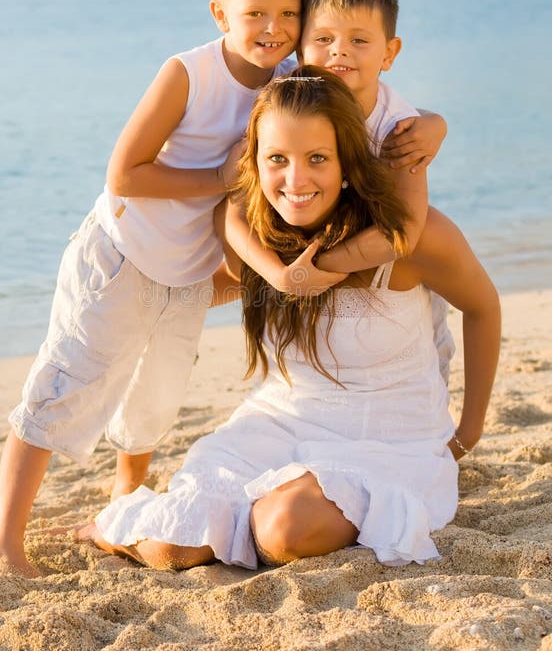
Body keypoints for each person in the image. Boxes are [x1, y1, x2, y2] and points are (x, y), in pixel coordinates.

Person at [0, 0, 312, 578]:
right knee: (63, 386)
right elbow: (123, 174)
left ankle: (124, 495)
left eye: (288, 13)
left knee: (156, 400)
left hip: (186, 272)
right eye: (254, 14)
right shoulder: (187, 73)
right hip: (121, 256)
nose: (272, 28)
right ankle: (2, 546)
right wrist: (219, 180)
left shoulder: (290, 78)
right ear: (221, 14)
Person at [77, 68, 501, 571]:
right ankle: (112, 525)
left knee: (284, 529)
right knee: (175, 548)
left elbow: (482, 307)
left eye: (317, 159)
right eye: (277, 159)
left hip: (391, 437)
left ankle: (238, 522)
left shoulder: (408, 238)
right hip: (279, 423)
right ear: (253, 162)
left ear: (347, 163)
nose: (296, 181)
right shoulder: (259, 243)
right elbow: (205, 289)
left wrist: (466, 433)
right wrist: (118, 299)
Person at [222, 0, 455, 382]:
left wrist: (319, 266)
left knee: (423, 356)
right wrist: (281, 274)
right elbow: (233, 210)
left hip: (370, 267)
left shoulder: (396, 128)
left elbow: (402, 232)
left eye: (359, 40)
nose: (339, 52)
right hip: (305, 259)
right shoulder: (284, 102)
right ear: (299, 49)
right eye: (324, 39)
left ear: (389, 52)